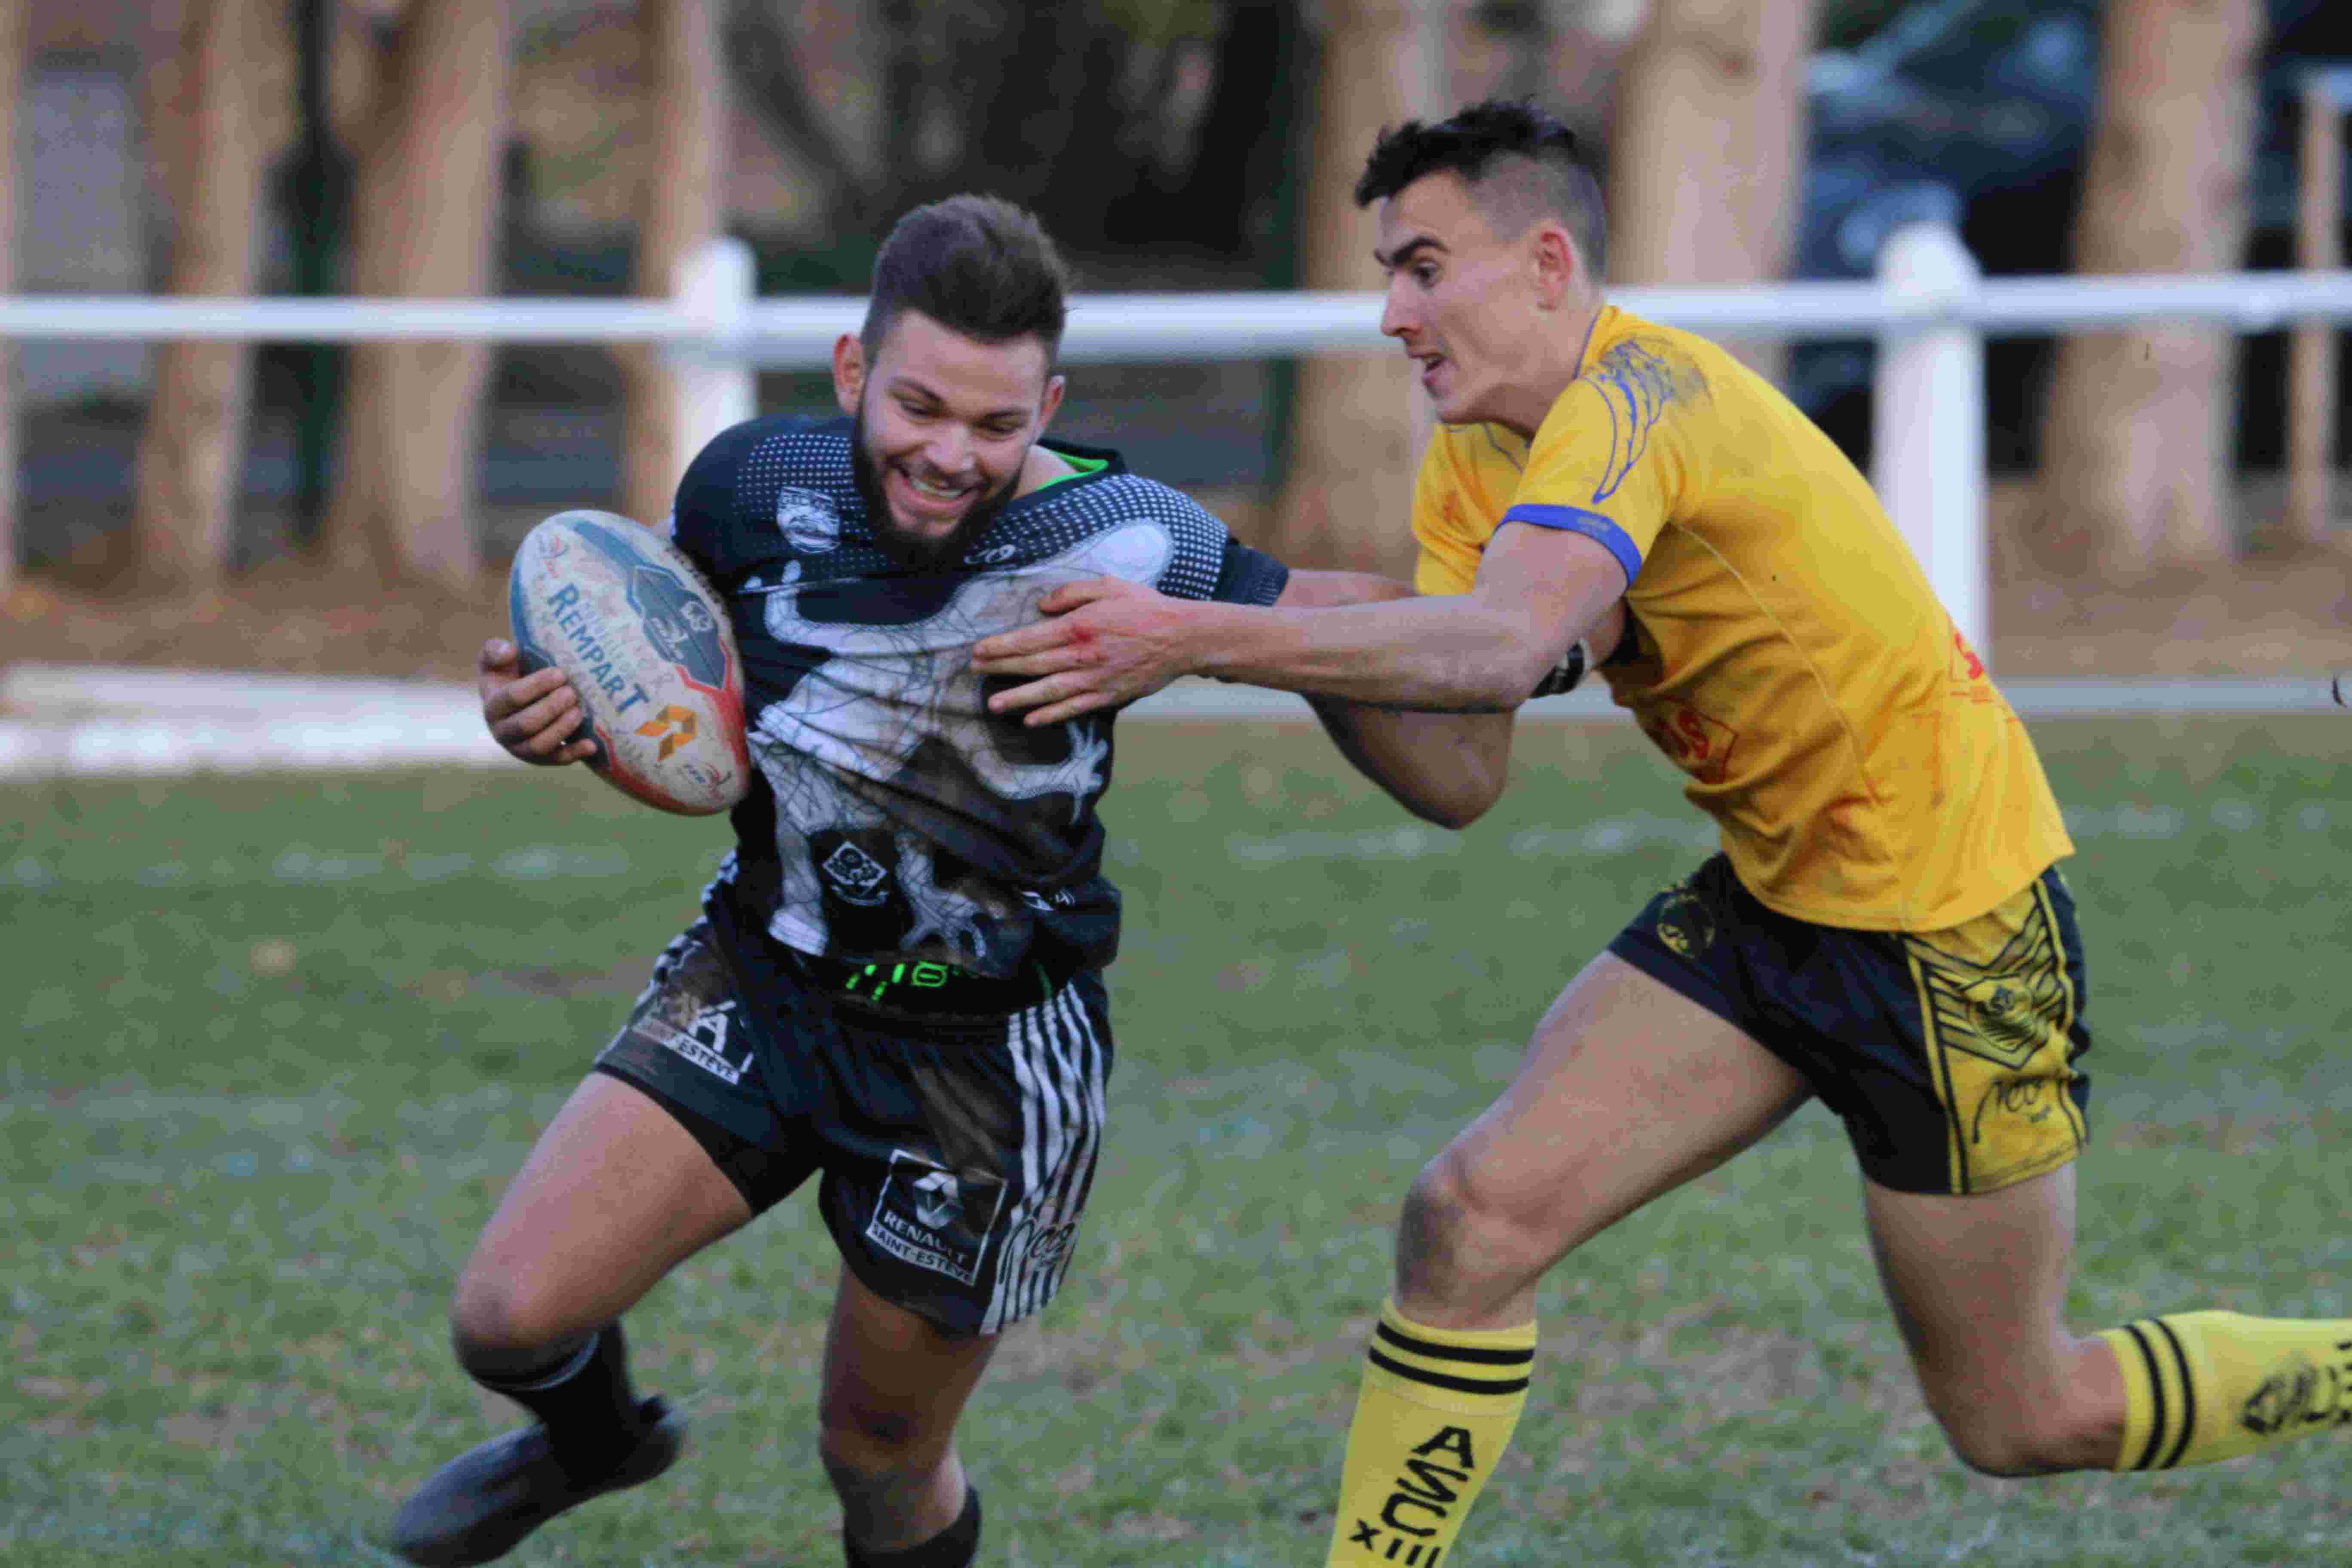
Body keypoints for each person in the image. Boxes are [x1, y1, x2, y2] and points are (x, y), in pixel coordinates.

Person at [971, 101, 2352, 1565]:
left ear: (1547, 260)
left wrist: (1197, 635)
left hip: (1953, 929)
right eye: (1387, 272)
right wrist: (1244, 588)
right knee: (1468, 1223)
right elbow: (1459, 770)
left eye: (1426, 266)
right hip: (1778, 907)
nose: (1393, 313)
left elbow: (1499, 646)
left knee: (2026, 1416)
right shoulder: (1480, 457)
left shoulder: (1639, 406)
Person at [386, 193, 1415, 1568]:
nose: (950, 456)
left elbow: (1330, 614)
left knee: (876, 1462)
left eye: (998, 426)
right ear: (853, 371)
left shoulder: (1134, 537)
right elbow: (671, 687)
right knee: (507, 1317)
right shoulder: (748, 486)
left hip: (981, 1060)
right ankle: (596, 1442)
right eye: (919, 407)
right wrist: (547, 716)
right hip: (767, 977)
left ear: (1048, 403)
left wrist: (1516, 641)